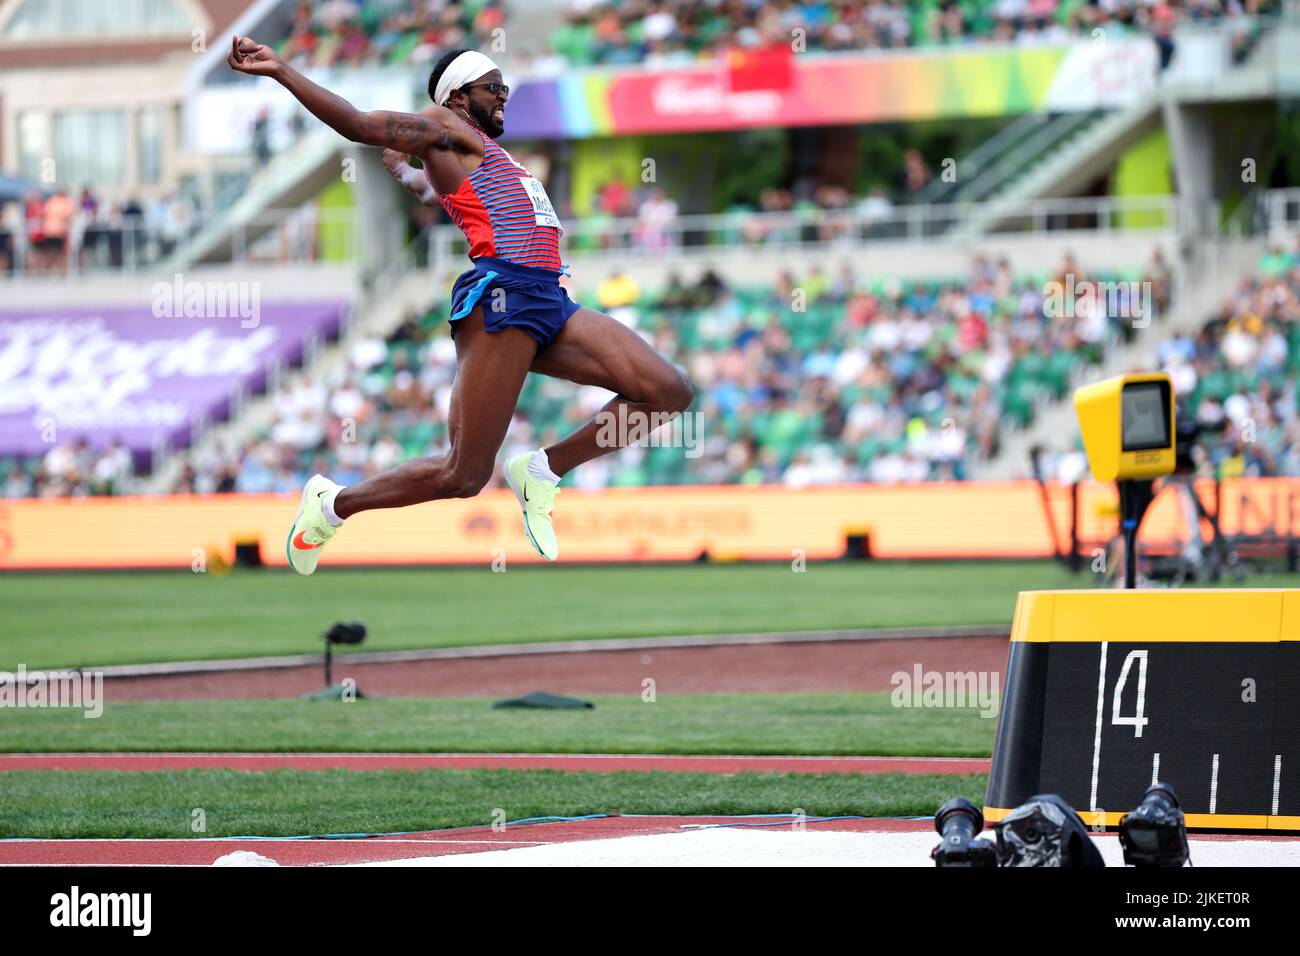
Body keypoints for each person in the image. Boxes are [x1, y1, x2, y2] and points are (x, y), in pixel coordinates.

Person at [227, 39, 693, 573]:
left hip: (549, 301)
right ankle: (332, 505)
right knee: (463, 477)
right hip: (504, 298)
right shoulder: (442, 125)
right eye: (494, 88)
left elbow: (435, 193)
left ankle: (541, 471)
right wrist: (282, 70)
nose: (503, 98)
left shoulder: (478, 153)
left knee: (667, 391)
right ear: (458, 96)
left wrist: (405, 171)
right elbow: (356, 123)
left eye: (506, 89)